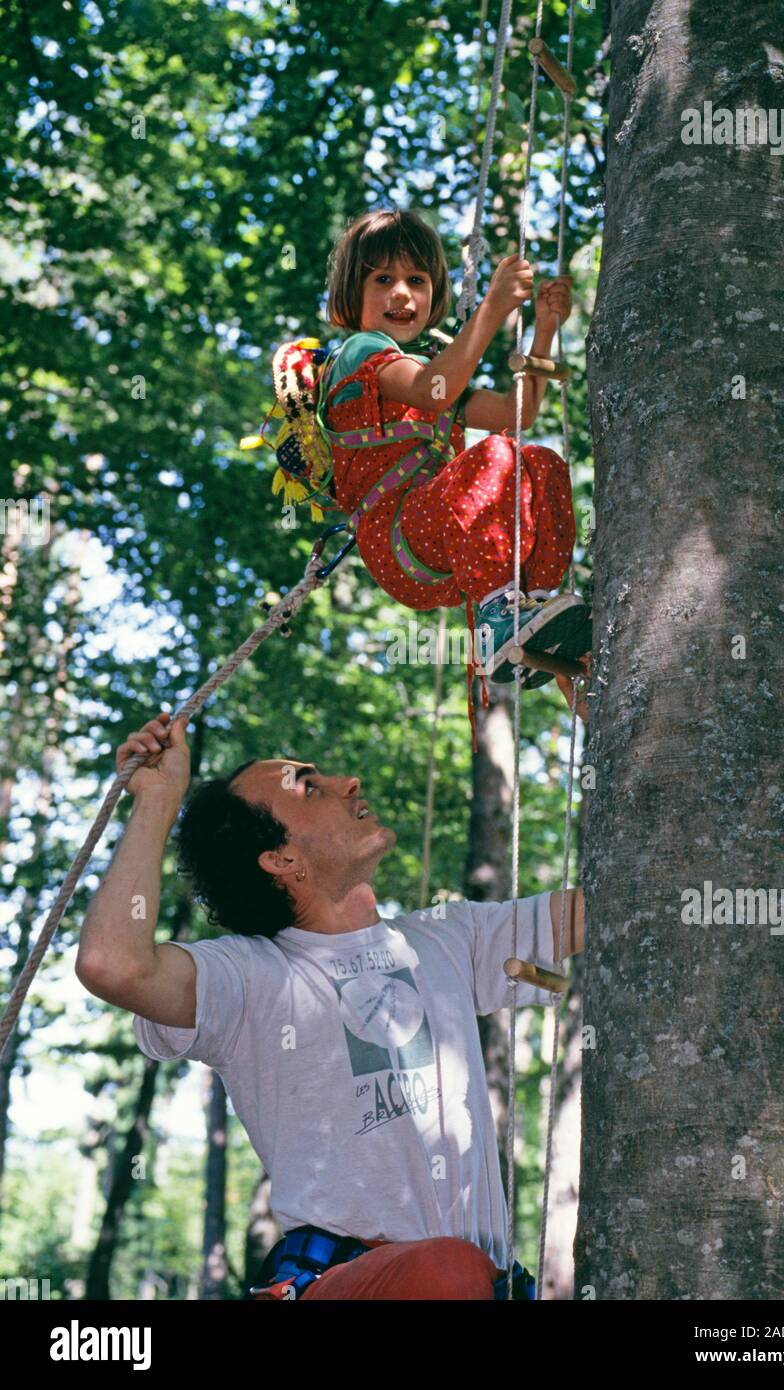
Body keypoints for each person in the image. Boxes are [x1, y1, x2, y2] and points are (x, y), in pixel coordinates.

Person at [75, 707, 588, 1301]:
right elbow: (113, 963)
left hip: (478, 1284)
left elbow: (617, 900)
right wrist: (160, 798)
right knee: (447, 1272)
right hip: (341, 1279)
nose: (349, 784)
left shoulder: (450, 937)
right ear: (281, 859)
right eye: (307, 787)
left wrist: (597, 695)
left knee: (458, 1274)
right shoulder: (250, 975)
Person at [311, 208, 592, 747]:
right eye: (383, 280)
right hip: (399, 536)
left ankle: (537, 616)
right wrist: (490, 311)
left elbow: (518, 412)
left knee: (542, 464)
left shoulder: (429, 363)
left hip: (446, 544)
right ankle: (500, 619)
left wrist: (544, 330)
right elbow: (433, 393)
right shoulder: (362, 351)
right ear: (354, 292)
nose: (403, 295)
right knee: (495, 458)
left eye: (417, 281)